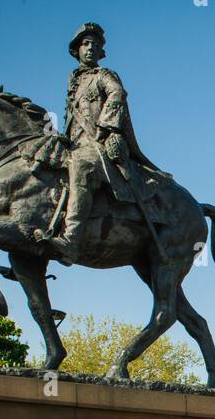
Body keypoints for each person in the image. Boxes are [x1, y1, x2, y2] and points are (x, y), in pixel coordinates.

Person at [44, 22, 168, 263]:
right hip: (76, 144)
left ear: (101, 52)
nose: (90, 48)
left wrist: (106, 126)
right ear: (76, 50)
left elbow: (117, 94)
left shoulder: (104, 75)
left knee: (81, 167)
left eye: (95, 45)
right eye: (86, 44)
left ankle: (71, 239)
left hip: (98, 144)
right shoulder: (74, 82)